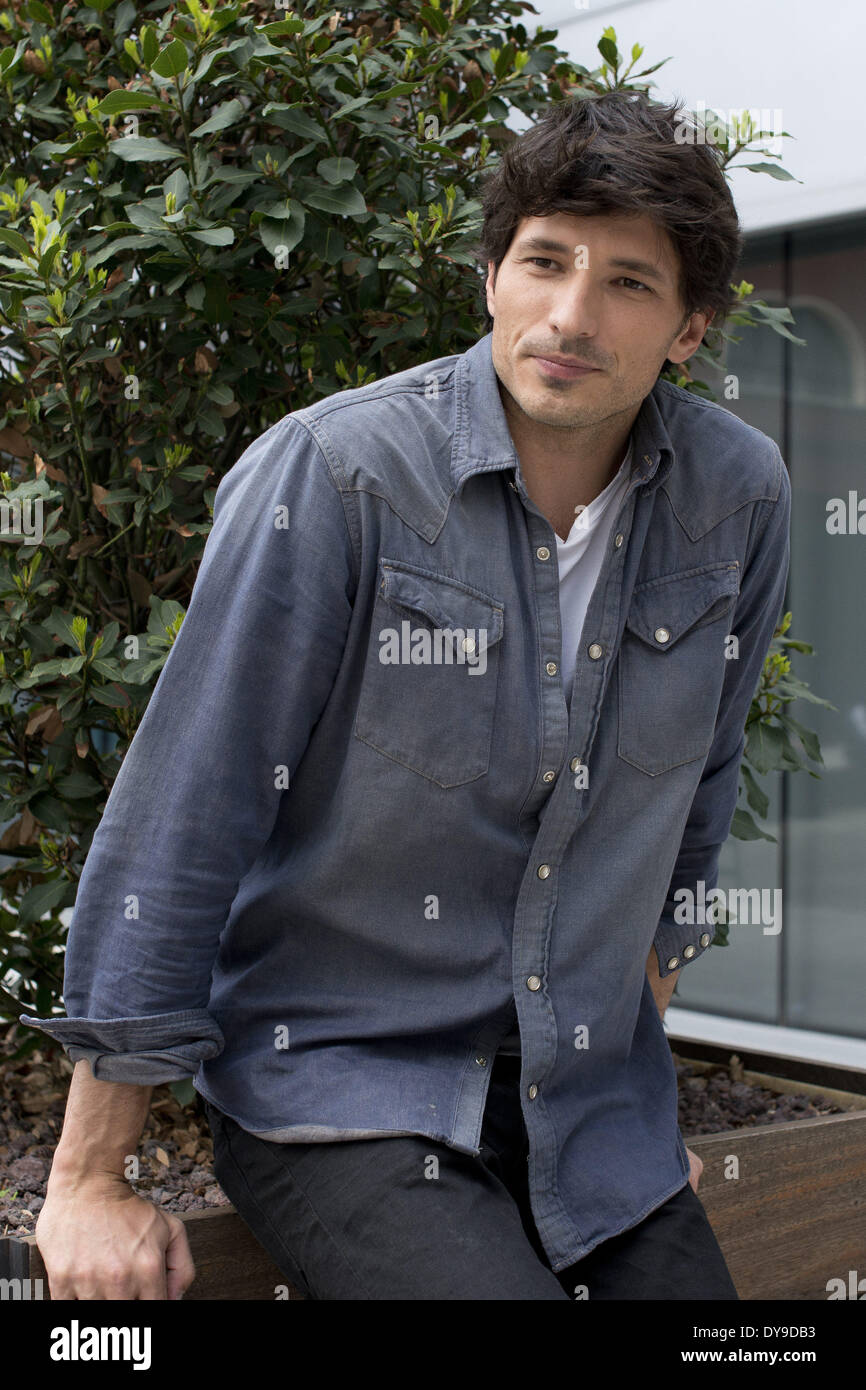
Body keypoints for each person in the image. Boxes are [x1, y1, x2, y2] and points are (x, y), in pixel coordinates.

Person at [24, 89, 789, 1300]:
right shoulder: (335, 478)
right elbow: (189, 807)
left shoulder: (733, 495)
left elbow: (696, 793)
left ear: (689, 327)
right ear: (491, 277)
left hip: (577, 1105)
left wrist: (618, 1097)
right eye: (542, 263)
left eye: (629, 285)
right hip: (339, 1083)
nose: (570, 315)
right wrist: (89, 1177)